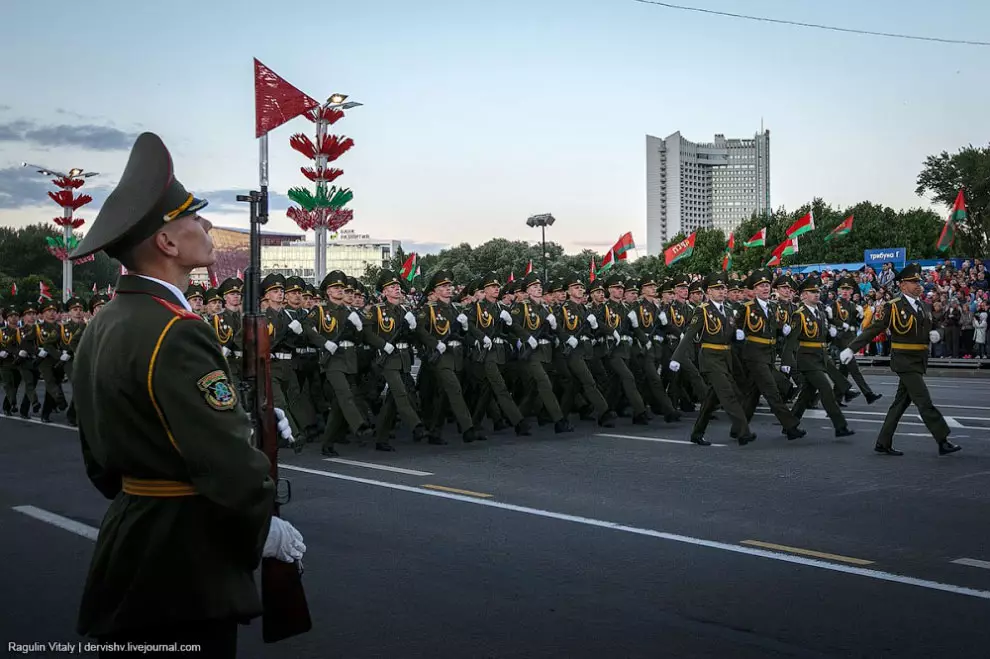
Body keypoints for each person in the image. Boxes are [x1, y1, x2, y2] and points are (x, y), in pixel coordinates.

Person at [67, 132, 304, 658]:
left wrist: (243, 419)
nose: (207, 225)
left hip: (133, 538)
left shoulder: (107, 322)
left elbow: (104, 461)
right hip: (183, 563)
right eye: (194, 217)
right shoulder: (177, 329)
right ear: (167, 243)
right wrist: (262, 526)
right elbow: (226, 466)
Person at [841, 263, 961, 457]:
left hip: (919, 361)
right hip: (904, 361)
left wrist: (937, 333)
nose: (918, 285)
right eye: (913, 282)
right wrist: (851, 348)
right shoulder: (893, 307)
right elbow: (874, 328)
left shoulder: (924, 305)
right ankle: (942, 439)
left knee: (900, 404)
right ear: (902, 285)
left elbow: (940, 324)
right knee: (923, 400)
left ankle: (883, 442)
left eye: (919, 281)